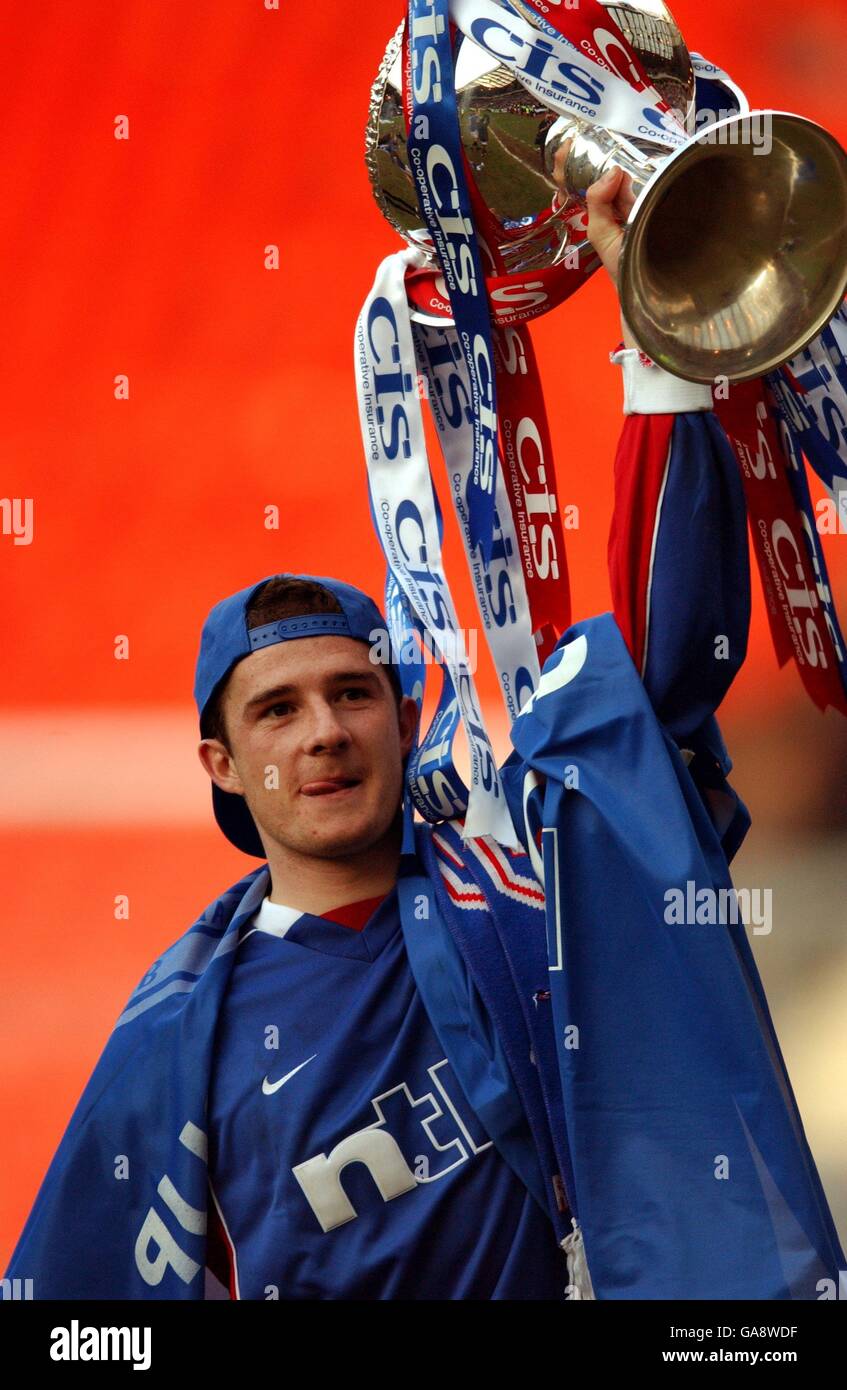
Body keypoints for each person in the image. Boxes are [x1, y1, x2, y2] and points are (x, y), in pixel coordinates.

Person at [3, 175, 844, 1301]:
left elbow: (664, 674)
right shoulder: (173, 1047)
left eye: (353, 693)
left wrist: (666, 342)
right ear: (220, 763)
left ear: (406, 717)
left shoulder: (536, 877)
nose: (323, 734)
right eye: (276, 709)